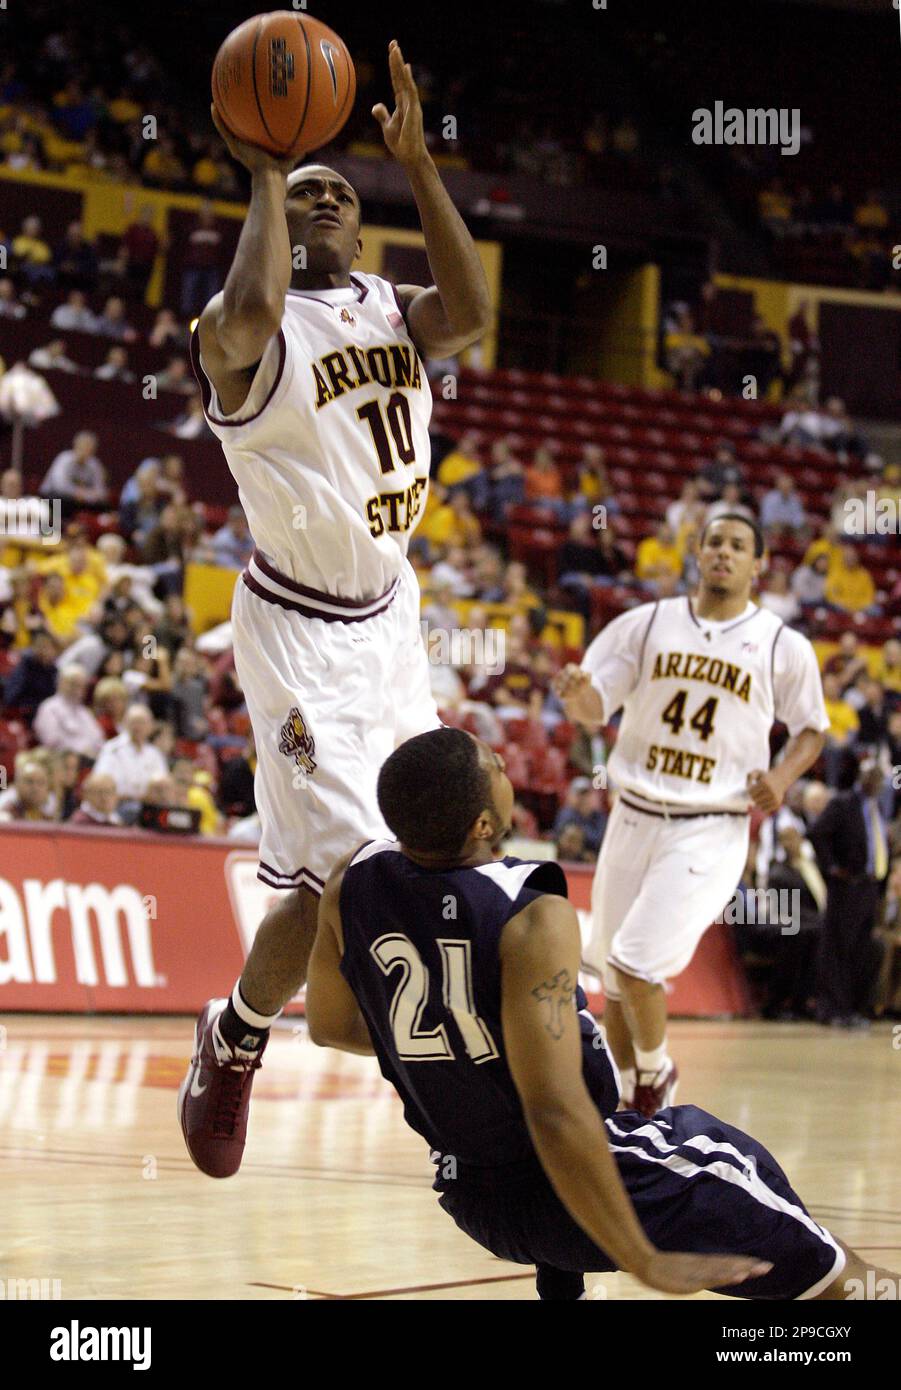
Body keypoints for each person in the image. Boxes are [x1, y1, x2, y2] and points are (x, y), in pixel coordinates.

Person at [177, 40, 492, 1180]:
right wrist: (265, 166)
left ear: (363, 231)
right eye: (302, 190)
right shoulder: (236, 332)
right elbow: (254, 309)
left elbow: (473, 309)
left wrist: (419, 167)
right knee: (345, 877)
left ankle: (240, 1030)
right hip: (297, 629)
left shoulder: (392, 308)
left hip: (391, 620)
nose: (319, 199)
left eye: (336, 193)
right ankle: (279, 1048)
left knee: (403, 850)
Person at [304, 727, 889, 1301]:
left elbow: (331, 1026)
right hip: (583, 1184)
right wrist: (644, 1260)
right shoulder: (530, 915)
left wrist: (461, 1054)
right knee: (824, 1263)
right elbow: (556, 1112)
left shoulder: (351, 879)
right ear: (482, 823)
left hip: (475, 1202)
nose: (509, 771)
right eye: (498, 769)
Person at [553, 515, 828, 1117]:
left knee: (636, 960)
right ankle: (632, 1098)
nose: (724, 553)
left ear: (759, 565)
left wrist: (779, 779)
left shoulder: (783, 644)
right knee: (618, 980)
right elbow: (597, 707)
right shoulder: (648, 623)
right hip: (633, 814)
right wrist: (577, 697)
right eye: (715, 543)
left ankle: (656, 1076)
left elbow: (811, 730)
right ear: (697, 553)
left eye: (738, 546)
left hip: (709, 823)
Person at [810, 758, 890, 1028]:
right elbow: (818, 832)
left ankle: (851, 1008)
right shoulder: (843, 803)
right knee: (838, 949)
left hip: (869, 887)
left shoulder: (876, 806)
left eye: (879, 779)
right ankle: (832, 1009)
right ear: (861, 777)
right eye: (871, 777)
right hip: (847, 886)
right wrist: (831, 867)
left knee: (860, 949)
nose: (875, 783)